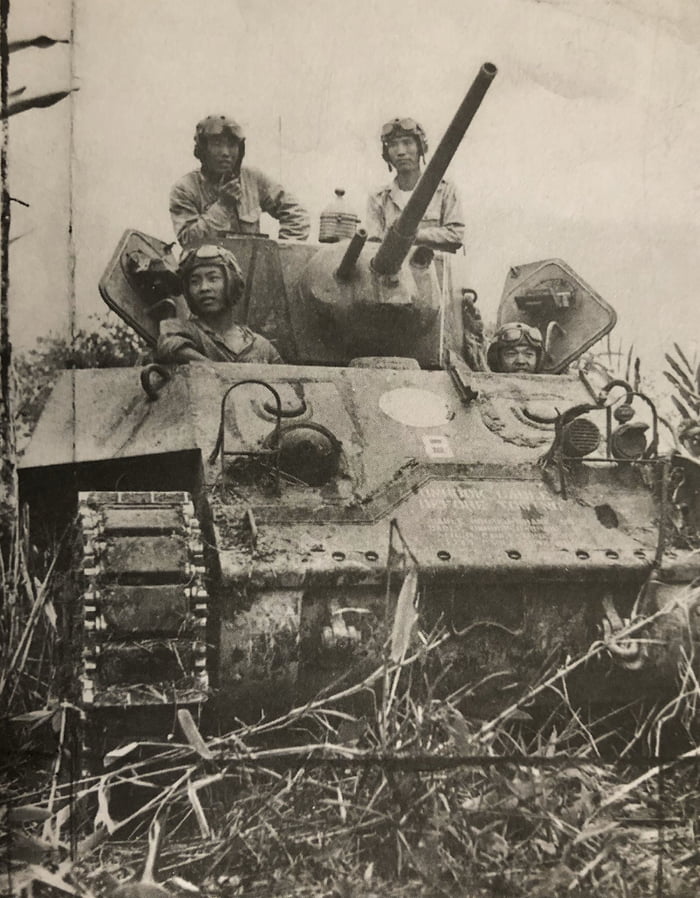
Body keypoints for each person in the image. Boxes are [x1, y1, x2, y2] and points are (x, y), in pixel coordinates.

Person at [169, 115, 311, 248]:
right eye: (217, 144)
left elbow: (297, 214)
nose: (225, 153)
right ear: (203, 150)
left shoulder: (253, 179)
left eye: (231, 145)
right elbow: (189, 241)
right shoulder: (185, 189)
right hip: (208, 271)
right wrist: (222, 206)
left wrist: (279, 253)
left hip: (251, 268)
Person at [156, 244, 283, 365]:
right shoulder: (182, 330)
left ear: (231, 283)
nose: (204, 288)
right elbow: (170, 345)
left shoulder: (260, 346)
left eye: (213, 279)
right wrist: (218, 371)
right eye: (195, 282)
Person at [365, 117, 465, 252]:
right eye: (393, 145)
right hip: (394, 272)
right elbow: (372, 245)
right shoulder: (378, 198)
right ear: (386, 154)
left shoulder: (444, 190)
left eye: (407, 143)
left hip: (434, 270)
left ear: (421, 148)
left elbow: (456, 235)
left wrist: (414, 235)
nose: (400, 151)